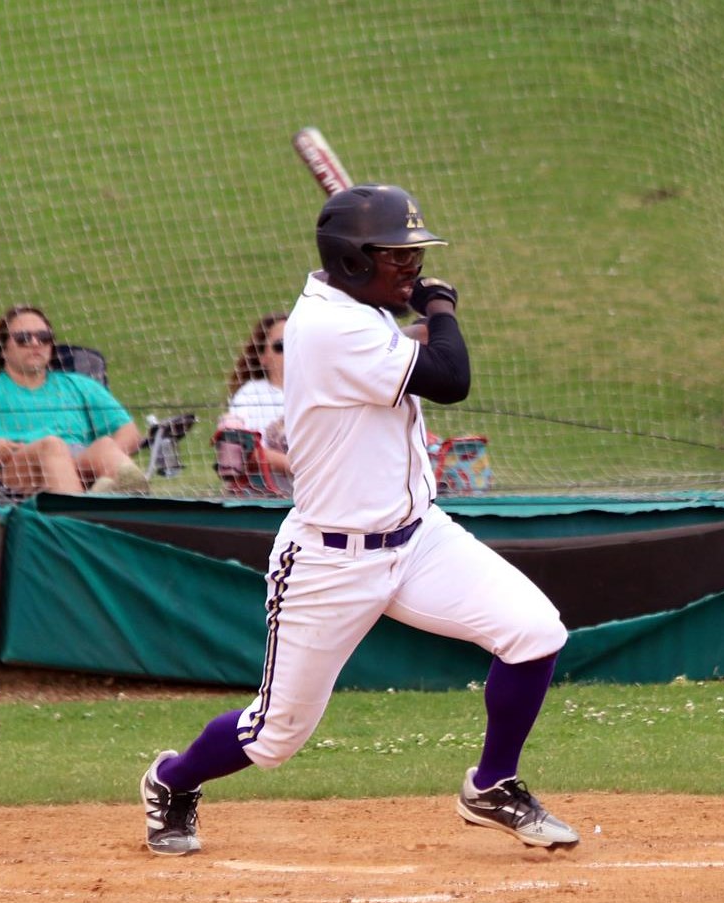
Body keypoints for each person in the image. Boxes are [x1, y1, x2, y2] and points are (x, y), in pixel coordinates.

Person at [140, 184, 577, 855]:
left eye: (413, 256)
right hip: (330, 558)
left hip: (418, 539)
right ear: (351, 260)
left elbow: (403, 353)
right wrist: (438, 306)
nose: (410, 267)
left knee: (533, 632)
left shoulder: (356, 309)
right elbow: (450, 376)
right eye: (396, 257)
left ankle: (491, 785)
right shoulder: (331, 324)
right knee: (275, 736)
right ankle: (172, 780)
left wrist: (412, 309)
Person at [0, 305, 150, 495]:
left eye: (44, 337)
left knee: (105, 446)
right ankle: (81, 518)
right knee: (52, 446)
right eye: (23, 338)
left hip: (77, 463)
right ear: (3, 348)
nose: (35, 343)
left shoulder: (79, 385)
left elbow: (129, 432)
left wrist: (74, 467)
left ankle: (118, 494)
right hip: (14, 470)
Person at [217, 312, 293, 487]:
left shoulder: (322, 390)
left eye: (296, 343)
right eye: (280, 346)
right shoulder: (251, 394)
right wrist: (298, 467)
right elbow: (244, 449)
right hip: (269, 497)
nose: (290, 351)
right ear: (262, 357)